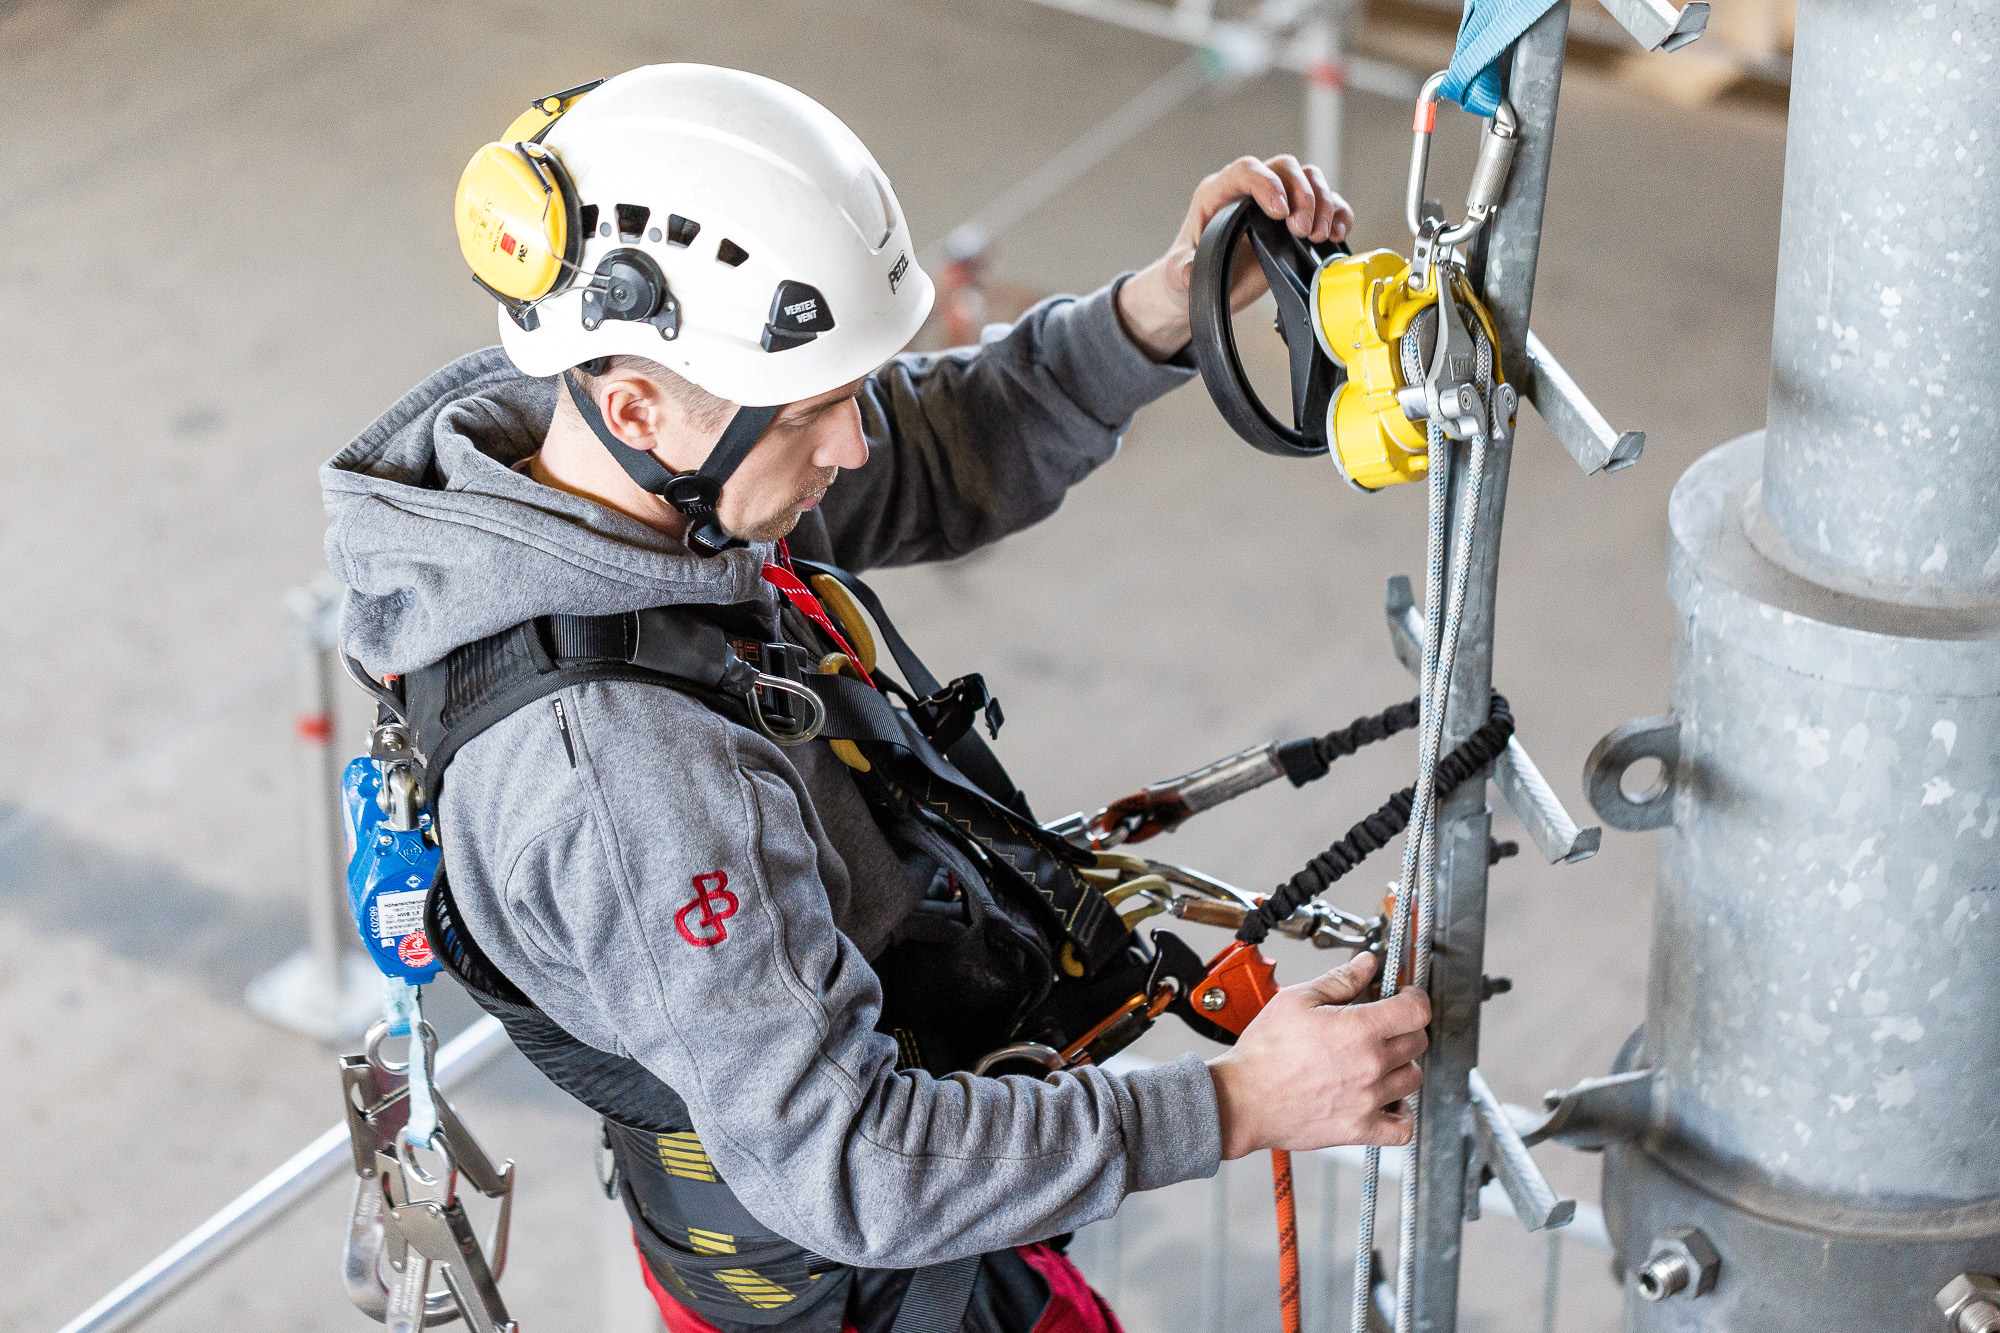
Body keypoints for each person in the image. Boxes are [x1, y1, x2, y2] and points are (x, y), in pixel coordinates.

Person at [325, 63, 1429, 1333]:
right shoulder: (626, 778)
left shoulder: (609, 473)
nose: (851, 446)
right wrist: (1235, 1104)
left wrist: (1156, 311)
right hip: (875, 1288)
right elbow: (852, 1162)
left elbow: (940, 443)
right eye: (818, 412)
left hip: (935, 1203)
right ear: (635, 406)